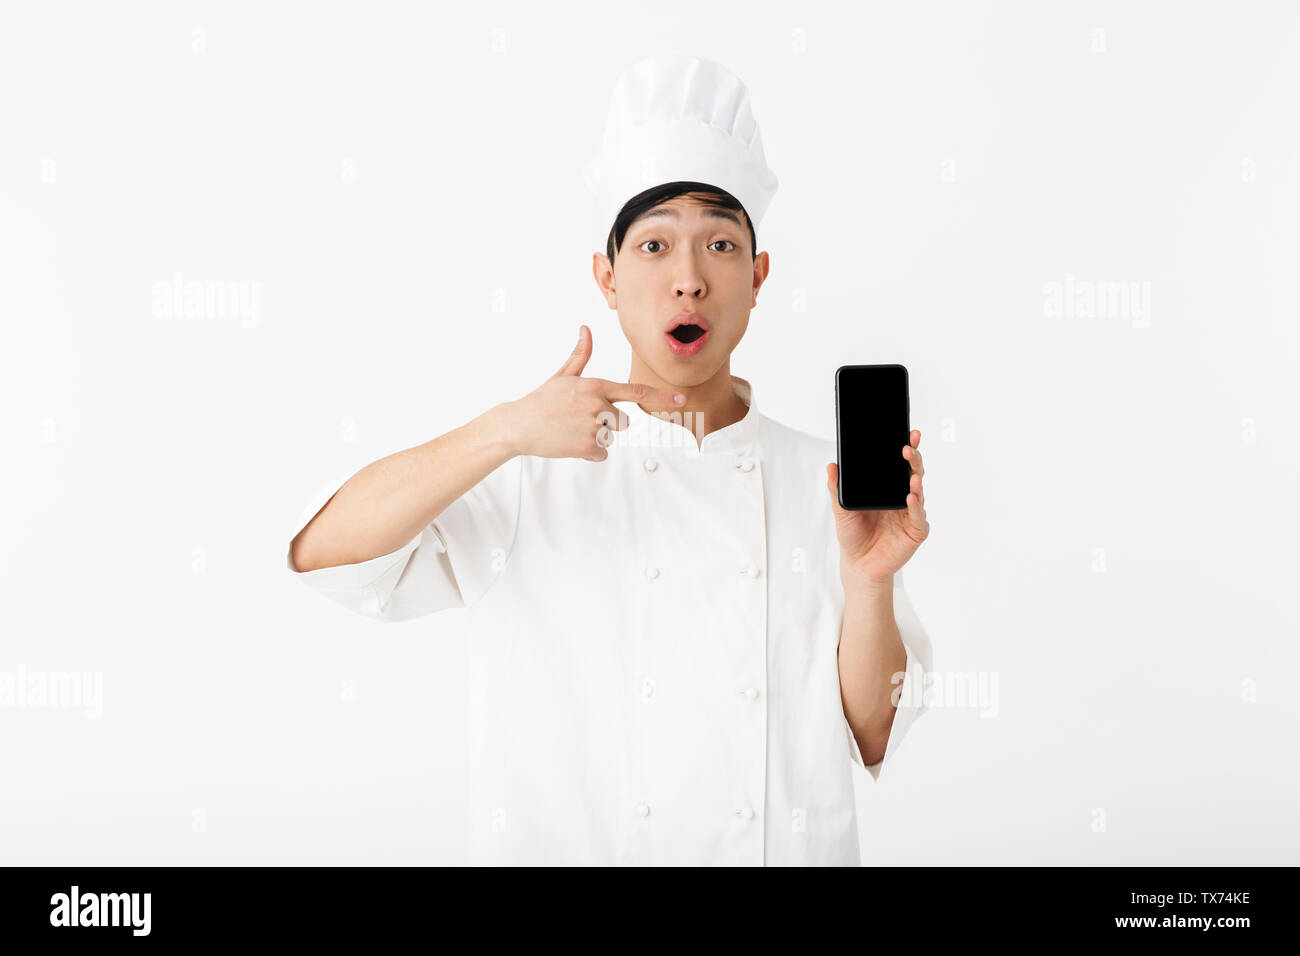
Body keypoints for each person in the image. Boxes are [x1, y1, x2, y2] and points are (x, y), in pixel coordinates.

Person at [286, 54, 933, 866]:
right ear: (608, 278)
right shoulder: (528, 470)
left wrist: (869, 581)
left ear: (758, 276)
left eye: (720, 245)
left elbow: (873, 734)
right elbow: (324, 553)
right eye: (654, 245)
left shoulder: (828, 486)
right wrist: (502, 431)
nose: (688, 281)